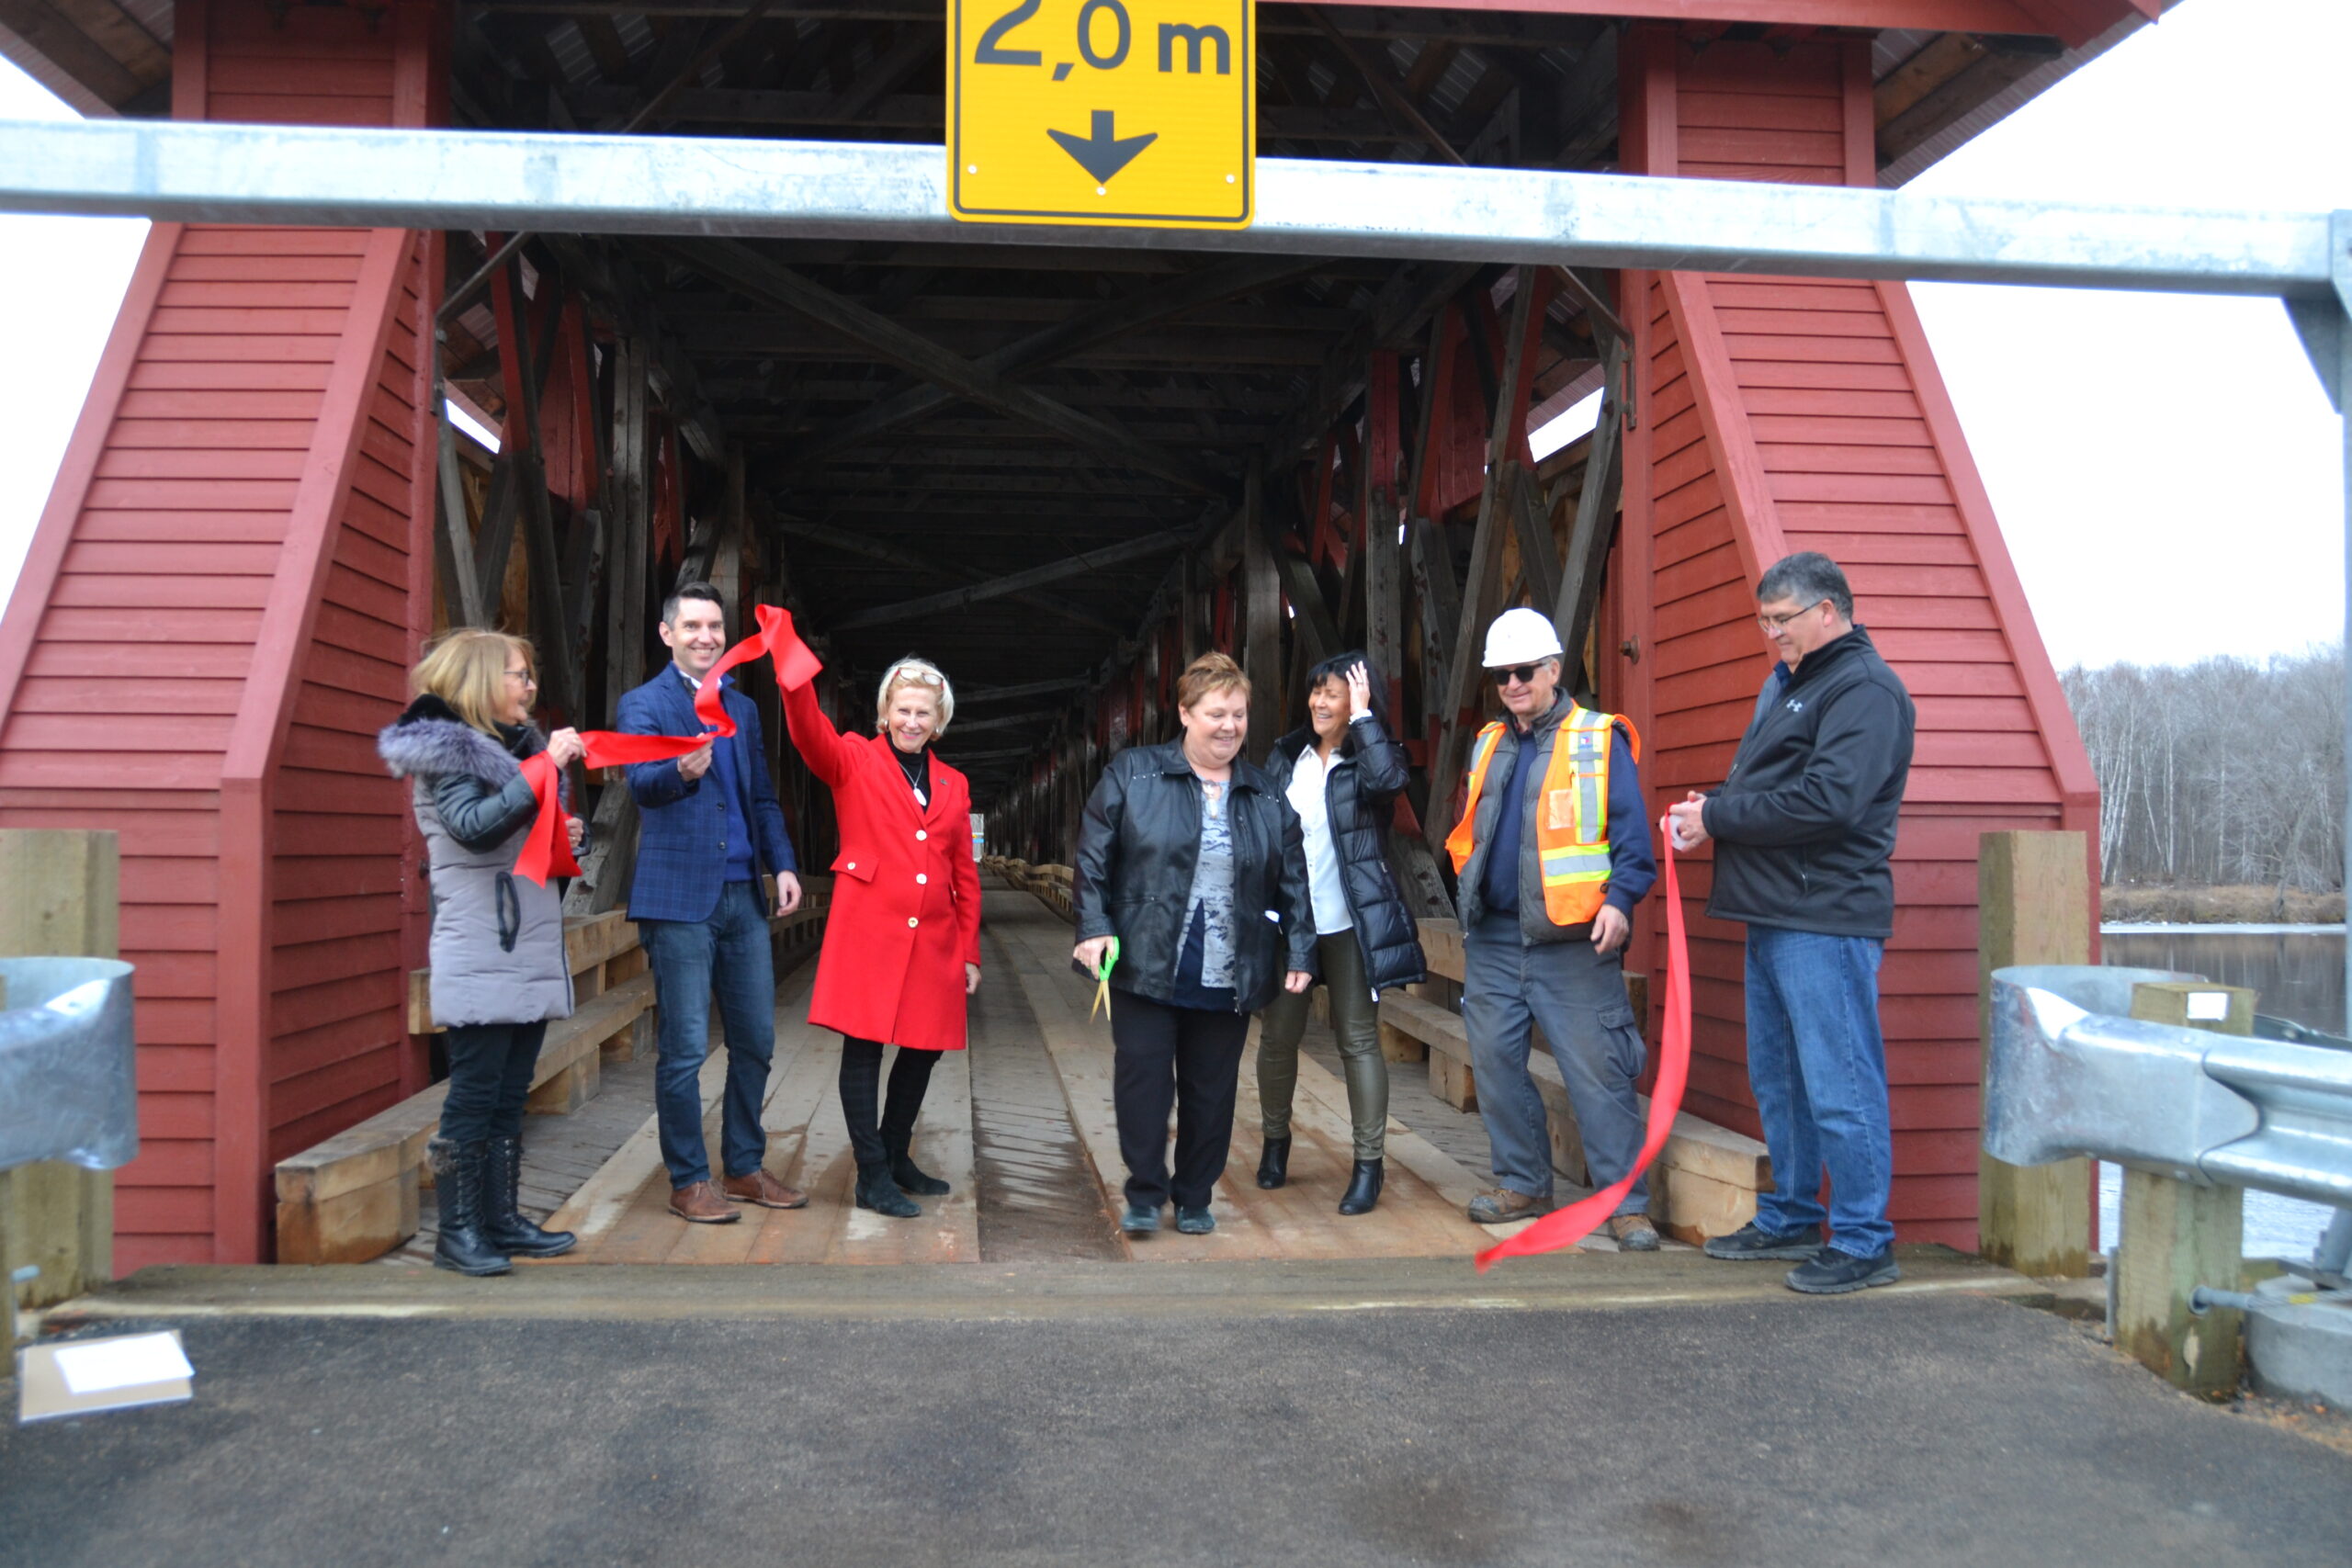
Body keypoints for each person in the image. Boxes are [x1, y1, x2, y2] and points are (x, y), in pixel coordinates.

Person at [1668, 551, 1916, 1295]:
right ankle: (1794, 1213)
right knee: (1781, 1079)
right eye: (1765, 620)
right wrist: (1710, 814)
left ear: (1829, 611)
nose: (1770, 634)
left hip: (1825, 917)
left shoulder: (1865, 689)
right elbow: (1772, 787)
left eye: (1781, 620)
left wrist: (1716, 813)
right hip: (1774, 910)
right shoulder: (1790, 684)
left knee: (1840, 1082)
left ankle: (1866, 1238)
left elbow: (1828, 801)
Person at [1072, 652, 1315, 1237]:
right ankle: (1145, 1192)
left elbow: (1294, 878)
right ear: (1185, 713)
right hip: (1146, 958)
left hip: (1229, 966)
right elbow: (1092, 859)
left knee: (1212, 1089)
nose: (1228, 726)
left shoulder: (1265, 794)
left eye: (1238, 715)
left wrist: (1302, 951)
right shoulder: (1133, 774)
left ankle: (1195, 1195)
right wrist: (1091, 926)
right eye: (1215, 714)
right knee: (1143, 1082)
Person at [1446, 607, 1661, 1250]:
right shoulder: (1488, 742)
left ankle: (1624, 1204)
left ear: (1553, 670)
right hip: (1494, 938)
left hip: (1573, 943)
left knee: (1598, 1071)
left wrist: (1621, 901)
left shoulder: (1598, 738)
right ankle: (1523, 1182)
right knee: (1493, 1061)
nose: (1511, 684)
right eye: (1500, 674)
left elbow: (1632, 839)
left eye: (1522, 671)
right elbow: (1471, 834)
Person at [378, 629, 588, 1275]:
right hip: (479, 940)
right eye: (518, 674)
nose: (529, 685)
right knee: (473, 1091)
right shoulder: (448, 753)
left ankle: (500, 1217)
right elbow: (470, 829)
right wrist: (546, 768)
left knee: (509, 1089)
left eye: (529, 674)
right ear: (479, 681)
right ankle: (458, 1230)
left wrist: (561, 832)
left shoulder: (512, 749)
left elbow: (507, 824)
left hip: (520, 938)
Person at [772, 635, 982, 1220]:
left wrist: (969, 953)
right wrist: (794, 677)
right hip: (869, 930)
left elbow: (964, 874)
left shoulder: (954, 785)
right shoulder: (854, 758)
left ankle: (894, 1154)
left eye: (923, 713)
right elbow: (808, 733)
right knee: (863, 1050)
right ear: (885, 713)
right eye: (902, 709)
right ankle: (869, 1173)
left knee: (924, 1051)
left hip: (935, 937)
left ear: (939, 722)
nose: (911, 721)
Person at [619, 581, 807, 1225]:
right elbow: (639, 783)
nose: (707, 637)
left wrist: (782, 863)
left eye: (716, 627)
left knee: (755, 1036)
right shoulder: (645, 703)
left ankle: (745, 1166)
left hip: (742, 895)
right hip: (677, 899)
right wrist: (680, 772)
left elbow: (760, 795)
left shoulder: (744, 710)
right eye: (693, 626)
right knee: (686, 1045)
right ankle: (689, 1179)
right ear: (667, 633)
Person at [1254, 651, 1427, 1215]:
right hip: (1291, 925)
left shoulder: (1371, 758)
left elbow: (1390, 782)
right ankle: (1276, 1143)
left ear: (1359, 697)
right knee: (1279, 1037)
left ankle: (1368, 1166)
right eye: (1316, 692)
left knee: (1358, 1040)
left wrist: (1366, 721)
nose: (1319, 702)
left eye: (1333, 693)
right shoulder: (1287, 757)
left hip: (1350, 922)